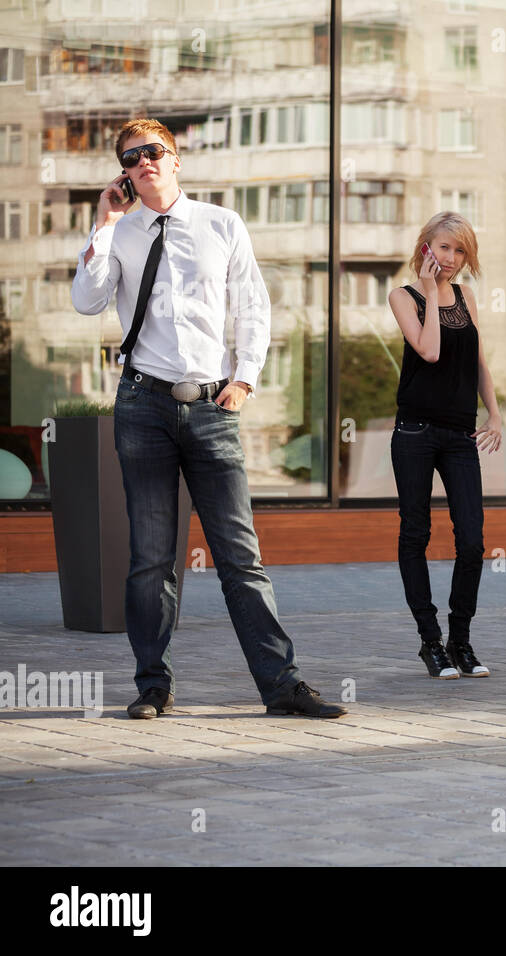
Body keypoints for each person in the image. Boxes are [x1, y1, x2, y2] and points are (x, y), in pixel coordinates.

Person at [70, 118, 345, 718]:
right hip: (144, 405)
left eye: (154, 152)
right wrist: (104, 223)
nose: (144, 162)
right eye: (131, 157)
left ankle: (282, 686)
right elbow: (88, 301)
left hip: (213, 405)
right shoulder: (120, 234)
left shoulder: (221, 224)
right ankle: (152, 686)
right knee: (150, 558)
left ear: (176, 160)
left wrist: (245, 377)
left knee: (239, 555)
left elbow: (251, 304)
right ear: (124, 173)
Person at [387, 213, 502, 680]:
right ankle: (430, 642)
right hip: (414, 431)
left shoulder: (469, 298)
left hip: (459, 434)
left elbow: (475, 361)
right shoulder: (403, 296)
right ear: (425, 249)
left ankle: (461, 640)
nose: (451, 258)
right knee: (416, 533)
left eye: (458, 250)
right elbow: (430, 350)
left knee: (472, 540)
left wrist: (493, 413)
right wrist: (431, 293)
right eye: (443, 248)